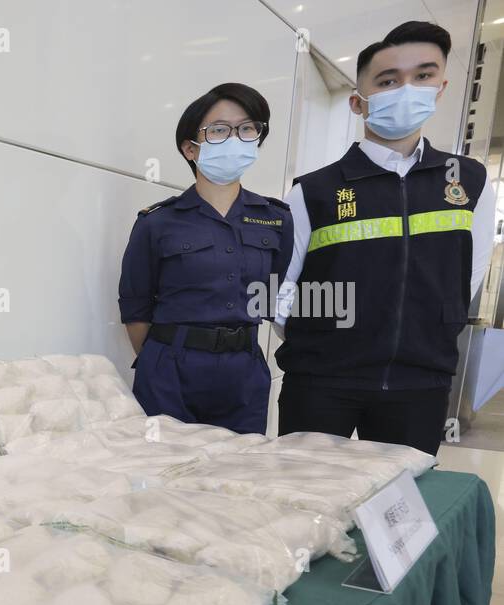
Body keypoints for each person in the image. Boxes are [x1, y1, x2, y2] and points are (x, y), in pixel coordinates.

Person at [274, 20, 494, 456]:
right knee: (306, 501)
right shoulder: (313, 190)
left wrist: (429, 330)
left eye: (423, 76)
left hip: (419, 384)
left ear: (441, 87)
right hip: (321, 384)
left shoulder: (467, 181)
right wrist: (323, 342)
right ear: (360, 101)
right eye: (389, 81)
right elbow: (279, 288)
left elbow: (467, 276)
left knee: (398, 513)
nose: (407, 89)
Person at [118, 82, 289, 434]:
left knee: (236, 478)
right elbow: (135, 311)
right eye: (219, 131)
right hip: (170, 370)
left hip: (243, 371)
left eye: (246, 129)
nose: (235, 139)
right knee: (167, 475)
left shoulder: (276, 218)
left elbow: (279, 298)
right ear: (190, 148)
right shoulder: (158, 221)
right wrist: (169, 356)